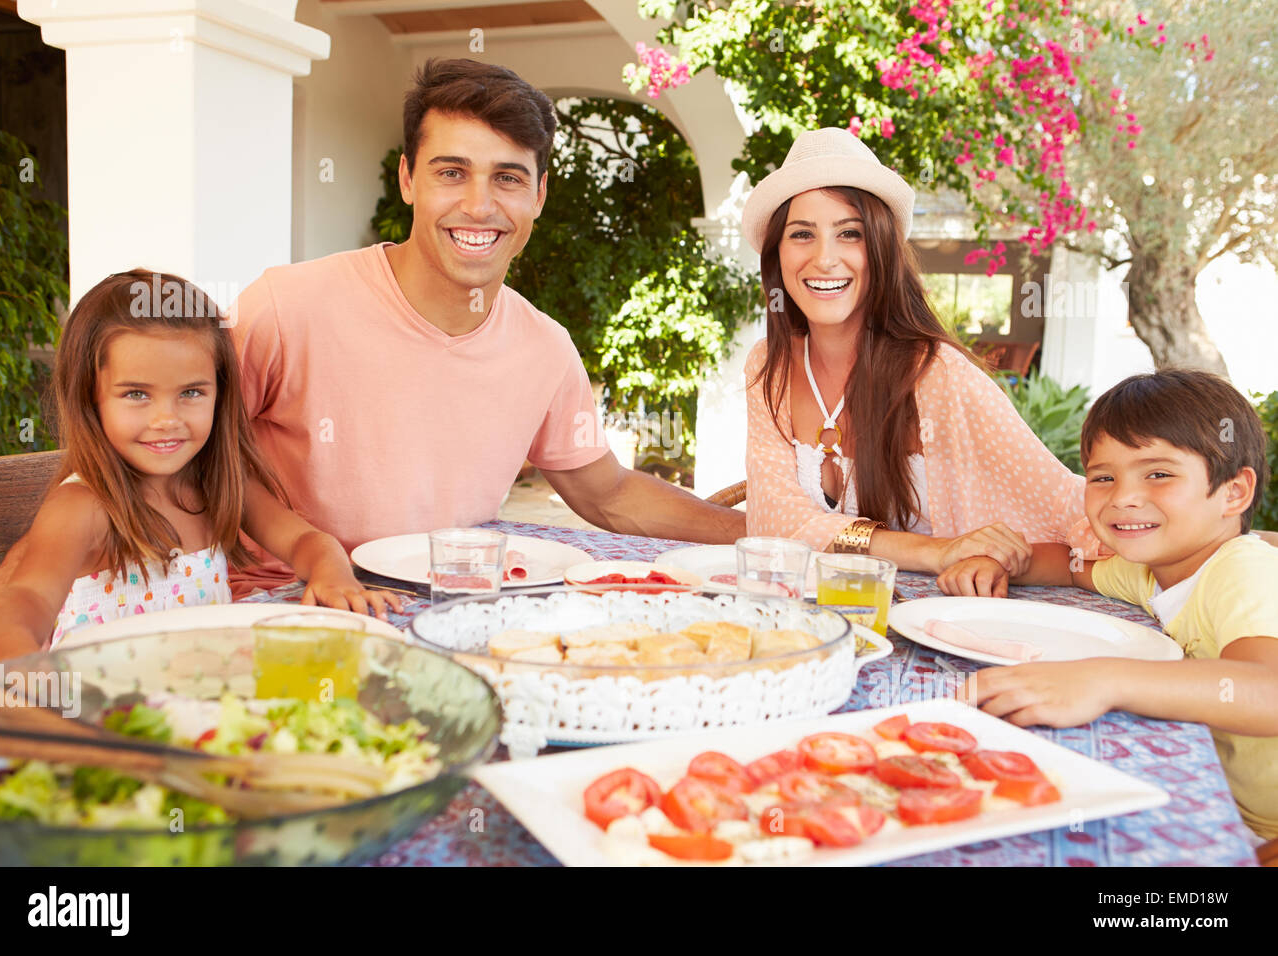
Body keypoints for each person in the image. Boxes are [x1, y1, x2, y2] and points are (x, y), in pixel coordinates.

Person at [228, 58, 744, 594]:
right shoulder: (286, 306)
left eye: (507, 178)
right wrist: (308, 547)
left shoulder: (544, 347)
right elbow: (200, 454)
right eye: (451, 173)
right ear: (408, 179)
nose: (479, 205)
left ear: (538, 196)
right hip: (285, 602)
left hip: (455, 603)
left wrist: (758, 533)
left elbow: (607, 493)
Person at [0, 271, 400, 668]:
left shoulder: (218, 484)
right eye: (137, 394)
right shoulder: (83, 507)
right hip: (108, 717)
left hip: (203, 701)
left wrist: (332, 573)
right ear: (91, 397)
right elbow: (27, 598)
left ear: (220, 392)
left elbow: (306, 540)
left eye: (192, 392)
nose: (167, 419)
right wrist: (8, 652)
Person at [741, 126, 1101, 576]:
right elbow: (775, 523)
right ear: (777, 253)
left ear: (882, 250)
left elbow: (1070, 508)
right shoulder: (768, 366)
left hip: (931, 626)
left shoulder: (936, 375)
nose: (825, 258)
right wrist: (934, 551)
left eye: (849, 233)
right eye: (802, 234)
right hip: (818, 619)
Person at [938, 370, 1278, 842]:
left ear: (1234, 492)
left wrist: (1103, 678)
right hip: (1210, 791)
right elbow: (1070, 564)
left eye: (1158, 474)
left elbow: (1269, 690)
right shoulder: (1153, 569)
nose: (1124, 498)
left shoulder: (1244, 570)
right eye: (1103, 477)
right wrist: (998, 563)